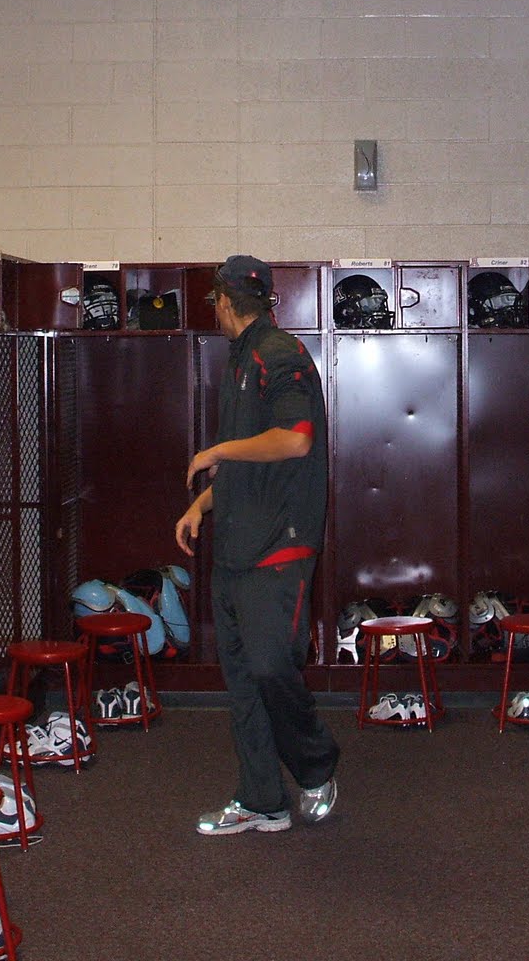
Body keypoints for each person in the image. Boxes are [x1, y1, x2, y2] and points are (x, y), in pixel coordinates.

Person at [175, 255, 340, 835]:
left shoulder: (281, 353)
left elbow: (294, 441)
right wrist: (203, 505)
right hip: (235, 549)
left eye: (213, 300)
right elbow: (253, 456)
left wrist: (216, 453)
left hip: (280, 547)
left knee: (272, 668)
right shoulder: (241, 357)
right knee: (243, 680)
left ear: (223, 300)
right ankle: (262, 799)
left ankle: (316, 765)